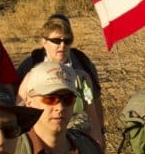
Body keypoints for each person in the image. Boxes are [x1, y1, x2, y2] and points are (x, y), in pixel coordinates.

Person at [16, 14, 105, 146]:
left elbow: (91, 108)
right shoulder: (31, 73)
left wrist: (98, 139)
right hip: (40, 141)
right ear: (44, 42)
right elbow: (19, 110)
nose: (62, 45)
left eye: (67, 41)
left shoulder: (82, 77)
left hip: (78, 140)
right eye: (56, 41)